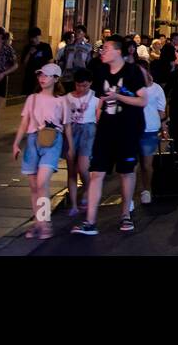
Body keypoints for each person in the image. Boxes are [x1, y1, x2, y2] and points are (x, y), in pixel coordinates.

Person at [71, 37, 147, 236]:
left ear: (118, 51)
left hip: (127, 130)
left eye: (106, 48)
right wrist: (96, 116)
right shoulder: (101, 71)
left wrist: (118, 97)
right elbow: (99, 99)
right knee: (97, 172)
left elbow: (142, 101)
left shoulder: (133, 72)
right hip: (105, 129)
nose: (102, 51)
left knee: (126, 172)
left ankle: (125, 214)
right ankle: (90, 221)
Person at [11, 63, 70, 238]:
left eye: (47, 75)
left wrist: (71, 148)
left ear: (56, 79)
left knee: (41, 183)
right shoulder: (32, 98)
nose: (42, 78)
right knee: (33, 185)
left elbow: (67, 126)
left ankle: (44, 223)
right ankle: (39, 222)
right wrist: (15, 143)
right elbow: (24, 122)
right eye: (40, 75)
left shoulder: (62, 101)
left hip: (52, 141)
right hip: (32, 140)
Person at [64, 68, 97, 218]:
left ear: (90, 83)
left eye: (85, 85)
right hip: (71, 132)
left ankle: (88, 191)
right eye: (78, 85)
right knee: (71, 170)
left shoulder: (95, 100)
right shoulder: (68, 98)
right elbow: (66, 122)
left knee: (83, 167)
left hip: (88, 132)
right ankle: (74, 204)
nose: (81, 88)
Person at [137, 64, 167, 205]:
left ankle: (146, 189)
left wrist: (164, 126)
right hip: (132, 129)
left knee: (146, 163)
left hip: (150, 129)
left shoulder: (156, 89)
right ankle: (130, 194)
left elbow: (162, 110)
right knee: (131, 164)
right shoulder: (130, 87)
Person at [21, 27, 53, 96]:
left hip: (42, 76)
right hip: (30, 76)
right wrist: (29, 53)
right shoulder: (27, 47)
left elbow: (50, 61)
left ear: (39, 36)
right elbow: (24, 63)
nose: (33, 39)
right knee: (29, 97)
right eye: (32, 37)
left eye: (35, 37)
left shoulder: (45, 47)